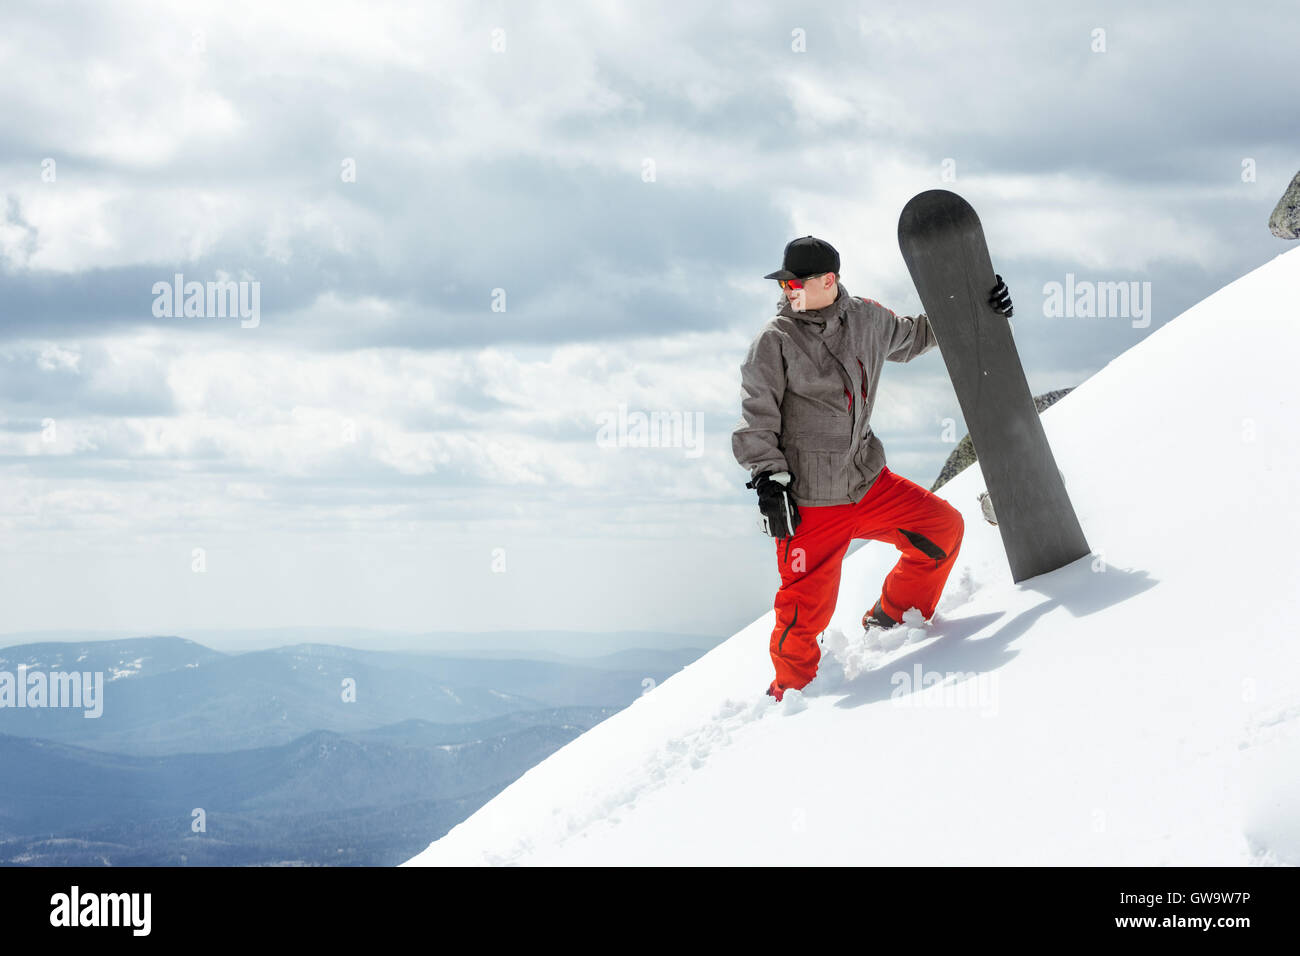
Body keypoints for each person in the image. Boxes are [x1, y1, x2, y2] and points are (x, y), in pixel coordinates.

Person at [731, 235, 1013, 701]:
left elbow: (918, 336)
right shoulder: (774, 341)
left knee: (942, 531)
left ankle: (893, 618)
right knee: (803, 613)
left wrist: (978, 304)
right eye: (784, 283)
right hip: (811, 502)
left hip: (867, 482)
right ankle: (788, 700)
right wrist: (768, 478)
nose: (788, 291)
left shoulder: (867, 319)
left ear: (829, 281)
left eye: (797, 282)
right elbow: (756, 417)